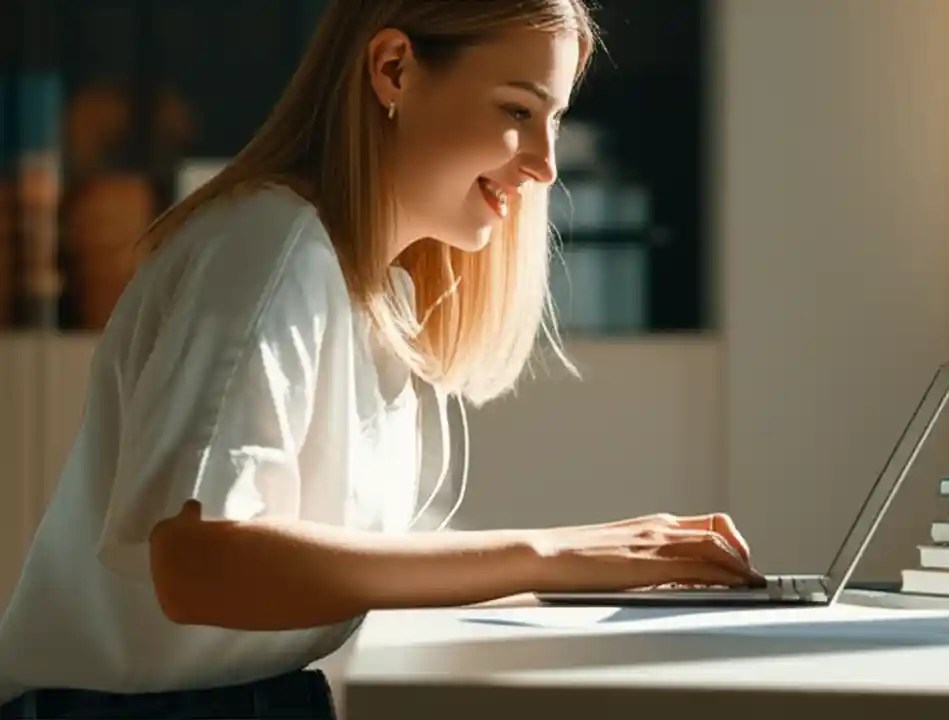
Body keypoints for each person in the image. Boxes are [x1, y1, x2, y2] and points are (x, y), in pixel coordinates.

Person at [0, 1, 762, 718]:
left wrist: (614, 581)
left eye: (555, 120)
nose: (545, 166)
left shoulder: (362, 283)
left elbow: (344, 576)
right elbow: (199, 565)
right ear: (394, 69)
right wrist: (550, 553)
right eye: (518, 112)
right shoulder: (271, 245)